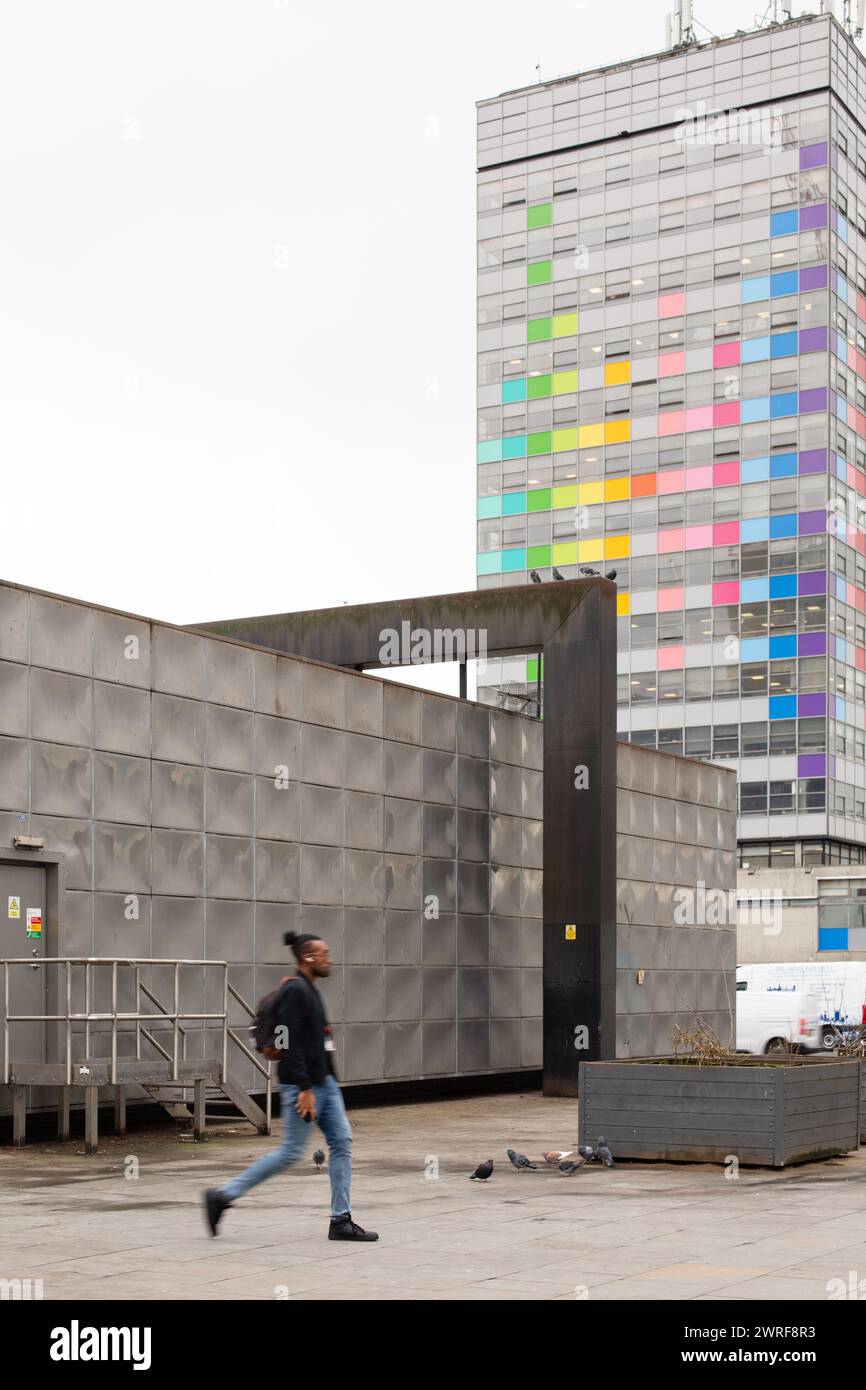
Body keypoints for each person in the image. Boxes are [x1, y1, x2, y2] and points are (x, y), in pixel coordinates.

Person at [203, 931, 378, 1243]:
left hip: (324, 1084)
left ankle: (341, 1219)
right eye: (323, 953)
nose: (329, 958)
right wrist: (304, 1088)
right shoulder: (296, 991)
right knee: (290, 1152)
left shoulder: (308, 989)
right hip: (305, 1087)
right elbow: (286, 1039)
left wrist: (325, 1081)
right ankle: (222, 1196)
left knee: (341, 1143)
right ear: (307, 958)